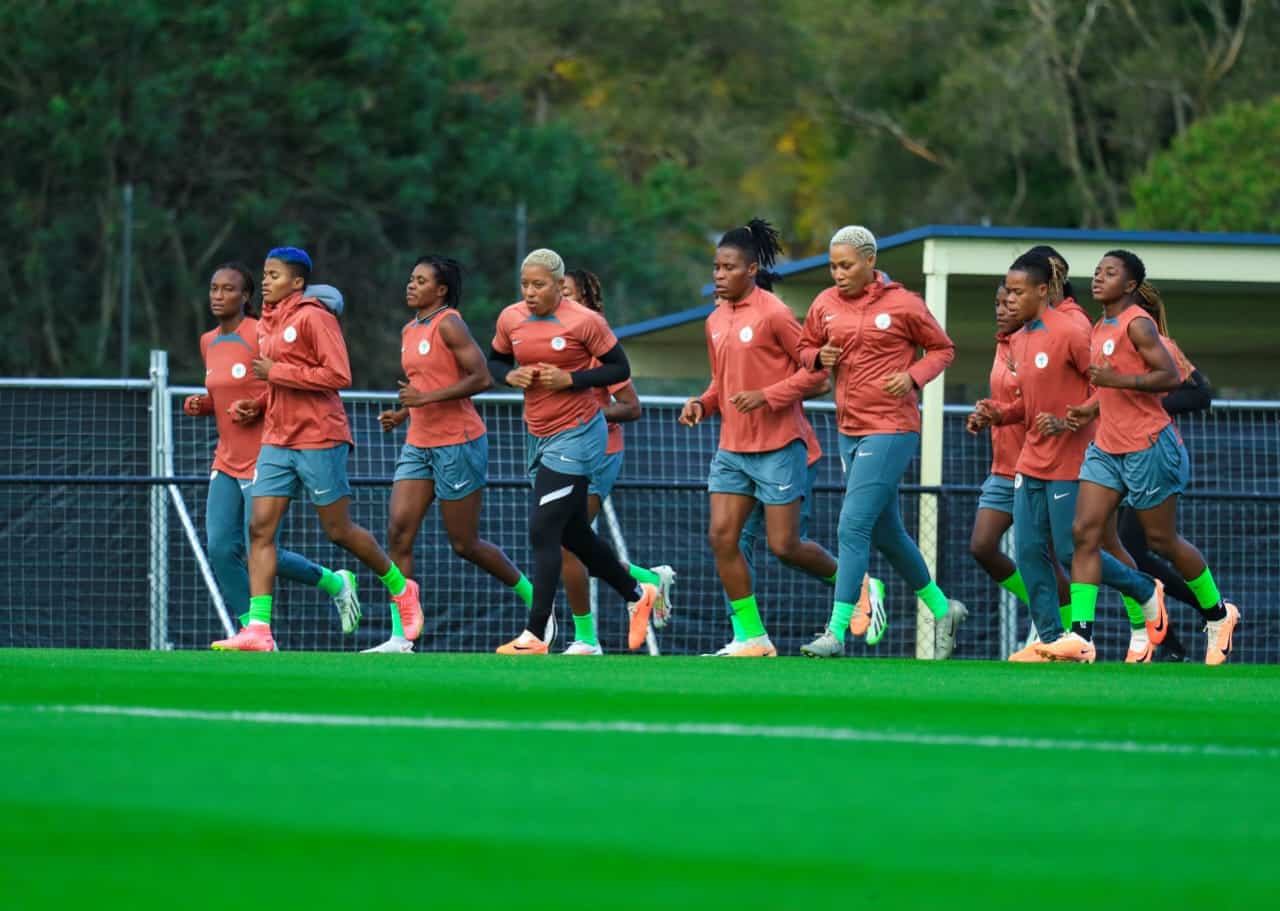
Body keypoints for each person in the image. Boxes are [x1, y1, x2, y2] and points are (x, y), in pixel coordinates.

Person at [212, 247, 419, 651]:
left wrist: (278, 372)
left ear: (297, 282)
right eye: (265, 274)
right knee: (260, 530)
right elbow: (280, 385)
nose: (266, 281)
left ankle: (400, 587)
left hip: (319, 436)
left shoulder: (314, 316)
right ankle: (259, 629)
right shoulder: (268, 322)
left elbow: (337, 374)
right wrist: (260, 402)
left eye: (274, 275)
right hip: (276, 438)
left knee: (338, 531)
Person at [974, 251, 1165, 663]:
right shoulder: (1018, 340)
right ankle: (1053, 640)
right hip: (1030, 462)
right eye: (1006, 292)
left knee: (1069, 552)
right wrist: (1000, 414)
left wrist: (1069, 422)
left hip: (1073, 460)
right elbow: (1029, 405)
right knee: (1027, 552)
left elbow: (1107, 388)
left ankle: (1144, 588)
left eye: (1017, 292)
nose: (1008, 300)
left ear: (1043, 291)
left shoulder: (1073, 330)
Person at [1062, 251, 1239, 665]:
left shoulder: (1138, 323)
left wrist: (1116, 380)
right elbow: (1109, 391)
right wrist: (1089, 408)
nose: (1099, 277)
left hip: (1148, 446)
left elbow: (1172, 378)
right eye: (1098, 271)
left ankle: (1218, 614)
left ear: (1129, 285)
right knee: (1085, 533)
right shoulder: (1098, 325)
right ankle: (1081, 638)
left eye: (1111, 273)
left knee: (1161, 541)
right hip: (1107, 446)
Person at [798, 225, 965, 659]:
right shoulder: (824, 305)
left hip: (892, 427)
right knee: (888, 533)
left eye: (846, 265)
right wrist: (817, 358)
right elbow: (802, 348)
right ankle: (944, 609)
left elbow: (943, 350)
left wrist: (912, 376)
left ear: (870, 262)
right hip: (848, 429)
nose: (838, 273)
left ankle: (835, 634)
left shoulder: (904, 304)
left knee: (851, 526)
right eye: (833, 265)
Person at [487, 248, 658, 656]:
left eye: (539, 285)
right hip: (538, 434)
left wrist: (572, 379)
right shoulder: (511, 318)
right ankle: (637, 592)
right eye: (525, 284)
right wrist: (509, 375)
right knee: (574, 534)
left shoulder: (585, 321)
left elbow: (619, 368)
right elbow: (494, 360)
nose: (530, 292)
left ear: (558, 285)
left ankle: (535, 633)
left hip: (580, 434)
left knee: (543, 529)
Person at [679, 219, 837, 658]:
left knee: (784, 546)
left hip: (780, 446)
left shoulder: (775, 314)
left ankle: (855, 586)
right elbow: (720, 383)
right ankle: (753, 637)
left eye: (728, 268)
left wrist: (767, 396)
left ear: (750, 270)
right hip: (732, 449)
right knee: (722, 537)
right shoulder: (714, 319)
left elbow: (819, 377)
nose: (718, 275)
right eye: (715, 267)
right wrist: (702, 404)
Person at [363, 256, 537, 654]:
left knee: (464, 543)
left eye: (421, 280)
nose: (411, 285)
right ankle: (401, 637)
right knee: (398, 534)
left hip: (458, 441)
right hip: (418, 443)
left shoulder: (450, 323)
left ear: (440, 290)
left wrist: (424, 398)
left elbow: (481, 378)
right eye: (411, 279)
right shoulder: (410, 329)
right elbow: (427, 382)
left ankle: (535, 601)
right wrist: (404, 412)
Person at [184, 263, 360, 642]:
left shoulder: (260, 332)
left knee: (259, 552)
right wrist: (205, 404)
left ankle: (333, 582)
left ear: (246, 296)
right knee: (218, 547)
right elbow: (224, 394)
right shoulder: (207, 341)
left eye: (227, 289)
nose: (218, 296)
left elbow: (280, 385)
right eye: (213, 288)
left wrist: (258, 405)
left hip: (266, 451)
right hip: (226, 458)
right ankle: (252, 630)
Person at [557, 268, 676, 656]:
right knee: (575, 541)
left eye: (567, 291)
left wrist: (586, 415)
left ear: (588, 300)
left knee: (567, 541)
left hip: (599, 452)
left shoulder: (595, 340)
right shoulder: (552, 339)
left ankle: (586, 639)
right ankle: (644, 580)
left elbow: (631, 406)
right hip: (562, 450)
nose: (559, 297)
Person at [966, 282, 1072, 640]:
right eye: (997, 302)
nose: (1002, 308)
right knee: (982, 545)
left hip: (1039, 464)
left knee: (1048, 555)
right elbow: (1006, 402)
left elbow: (1043, 404)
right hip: (1002, 465)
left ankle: (1064, 632)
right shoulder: (1002, 345)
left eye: (1009, 300)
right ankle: (1046, 612)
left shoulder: (1041, 342)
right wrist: (985, 414)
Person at [1117, 280, 1213, 661]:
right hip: (1115, 455)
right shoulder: (1110, 345)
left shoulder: (1162, 347)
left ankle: (1212, 611)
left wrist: (1148, 403)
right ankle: (1163, 639)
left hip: (1151, 454)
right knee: (1120, 551)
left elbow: (1200, 392)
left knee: (1146, 546)